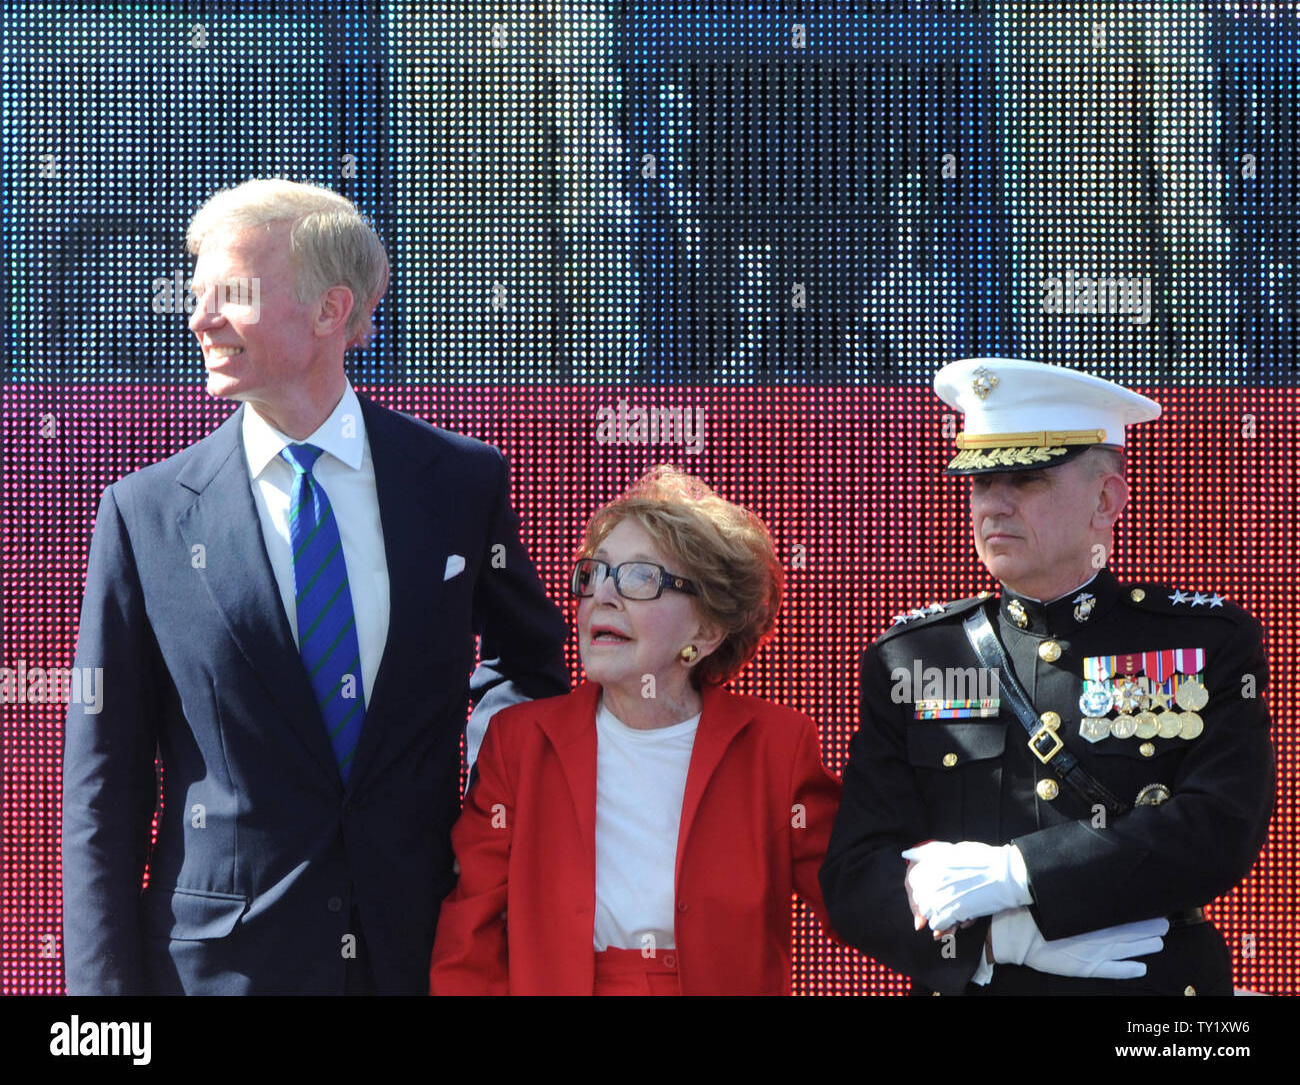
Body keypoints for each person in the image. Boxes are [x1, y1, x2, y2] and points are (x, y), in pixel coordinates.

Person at [61, 179, 568, 995]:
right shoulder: (143, 514)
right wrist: (101, 1017)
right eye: (198, 298)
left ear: (331, 311)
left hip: (424, 953)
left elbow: (532, 665)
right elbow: (102, 786)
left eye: (231, 295)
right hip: (219, 971)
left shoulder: (460, 482)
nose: (199, 320)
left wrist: (474, 804)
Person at [821, 357, 1275, 995]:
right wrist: (991, 942)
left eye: (1026, 478)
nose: (994, 503)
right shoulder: (916, 657)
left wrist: (1021, 873)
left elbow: (1222, 827)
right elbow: (856, 872)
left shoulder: (1201, 642)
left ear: (1106, 499)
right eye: (980, 482)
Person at [428, 466, 841, 994]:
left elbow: (855, 895)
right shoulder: (518, 745)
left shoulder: (777, 747)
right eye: (593, 574)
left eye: (641, 578)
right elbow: (471, 940)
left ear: (707, 630)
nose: (602, 595)